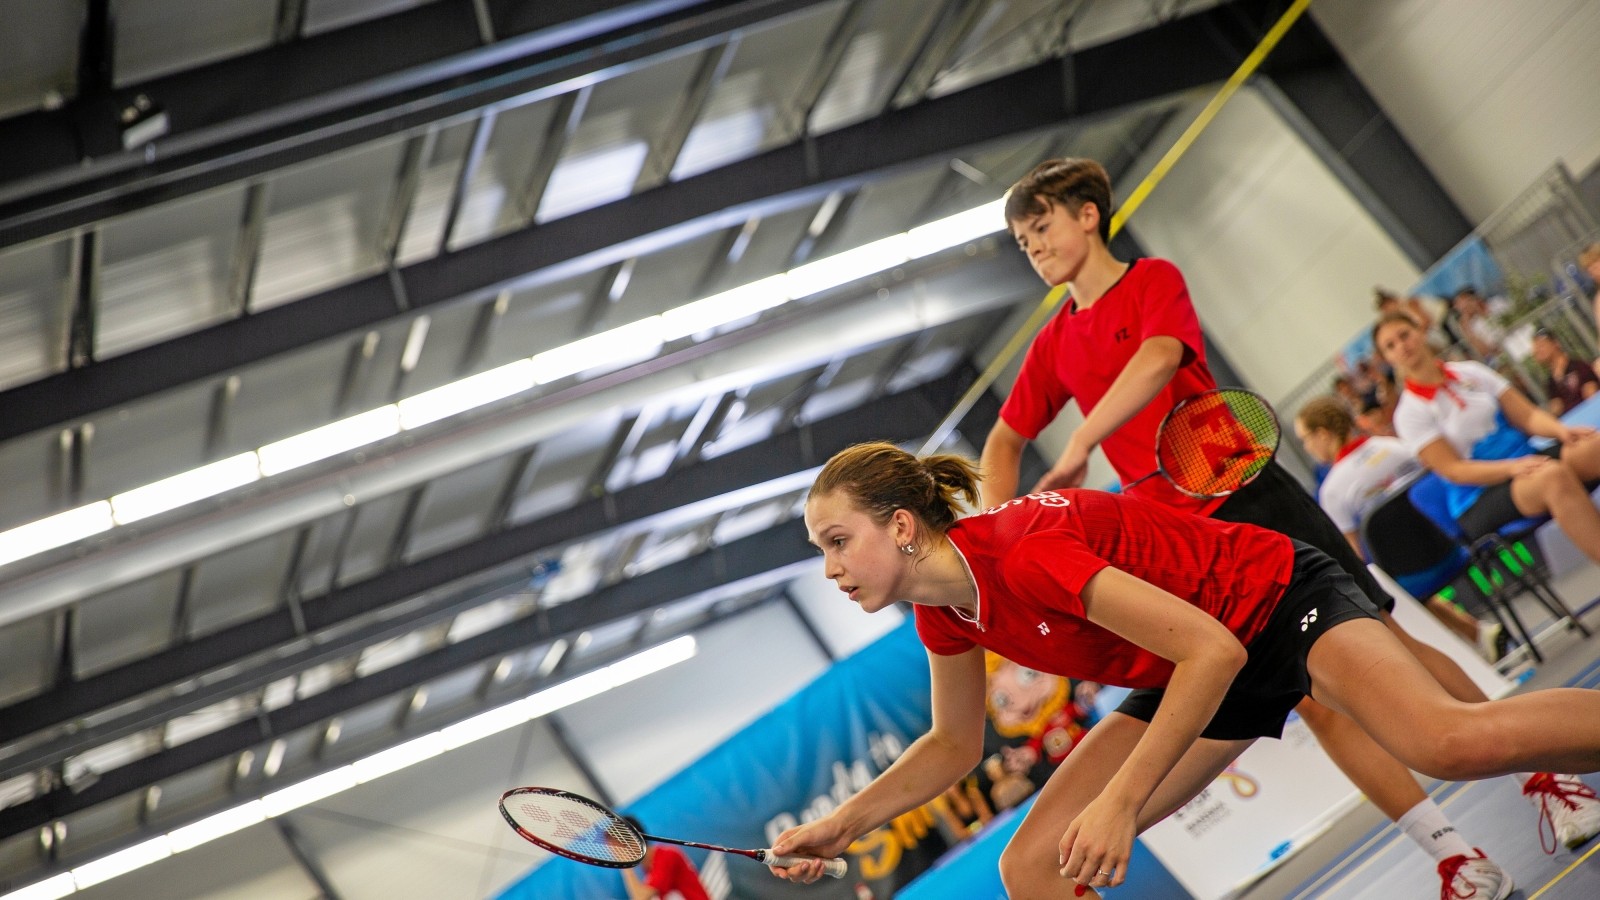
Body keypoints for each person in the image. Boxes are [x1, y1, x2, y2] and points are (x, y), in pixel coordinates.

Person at [976, 156, 1597, 893]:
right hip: (1184, 548)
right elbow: (1005, 440)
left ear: (1086, 214)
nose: (1034, 246)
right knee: (1314, 700)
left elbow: (1158, 358)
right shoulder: (1051, 344)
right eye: (1021, 241)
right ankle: (1456, 858)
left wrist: (1080, 442)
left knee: (1390, 643)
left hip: (1243, 492)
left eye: (1040, 226)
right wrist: (1000, 525)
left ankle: (1551, 780)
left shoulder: (1151, 281)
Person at [768, 443, 1600, 898]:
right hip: (1192, 660)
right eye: (822, 552)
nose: (831, 567)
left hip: (1271, 602)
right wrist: (846, 823)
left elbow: (1218, 648)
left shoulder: (1022, 556)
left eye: (838, 542)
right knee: (1033, 865)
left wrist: (1121, 805)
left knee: (1445, 743)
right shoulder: (942, 611)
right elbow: (953, 747)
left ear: (904, 526)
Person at [1293, 395, 1508, 662]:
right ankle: (1478, 633)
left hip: (1409, 579)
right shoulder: (1395, 447)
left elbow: (1356, 557)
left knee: (1379, 591)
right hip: (1455, 548)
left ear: (1323, 434)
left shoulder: (1333, 491)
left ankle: (1462, 655)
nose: (1307, 447)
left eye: (1305, 439)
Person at [1375, 312, 1600, 557]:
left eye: (1404, 335)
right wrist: (1511, 468)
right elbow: (1454, 470)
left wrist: (1562, 431)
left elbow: (1527, 416)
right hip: (1477, 495)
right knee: (1553, 477)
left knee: (1592, 446)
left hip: (1528, 460)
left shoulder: (1470, 372)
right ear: (1387, 358)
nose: (1402, 346)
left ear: (1419, 331)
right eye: (1390, 346)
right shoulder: (1409, 413)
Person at [620, 816, 711, 900]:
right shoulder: (647, 867)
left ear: (632, 842)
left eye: (617, 847)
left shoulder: (667, 856)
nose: (615, 853)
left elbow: (641, 897)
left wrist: (625, 864)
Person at [1530, 327, 1599, 415]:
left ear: (1555, 343)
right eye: (1536, 348)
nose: (1538, 351)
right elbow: (1556, 408)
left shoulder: (1579, 367)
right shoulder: (1551, 383)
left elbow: (1592, 397)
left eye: (1541, 345)